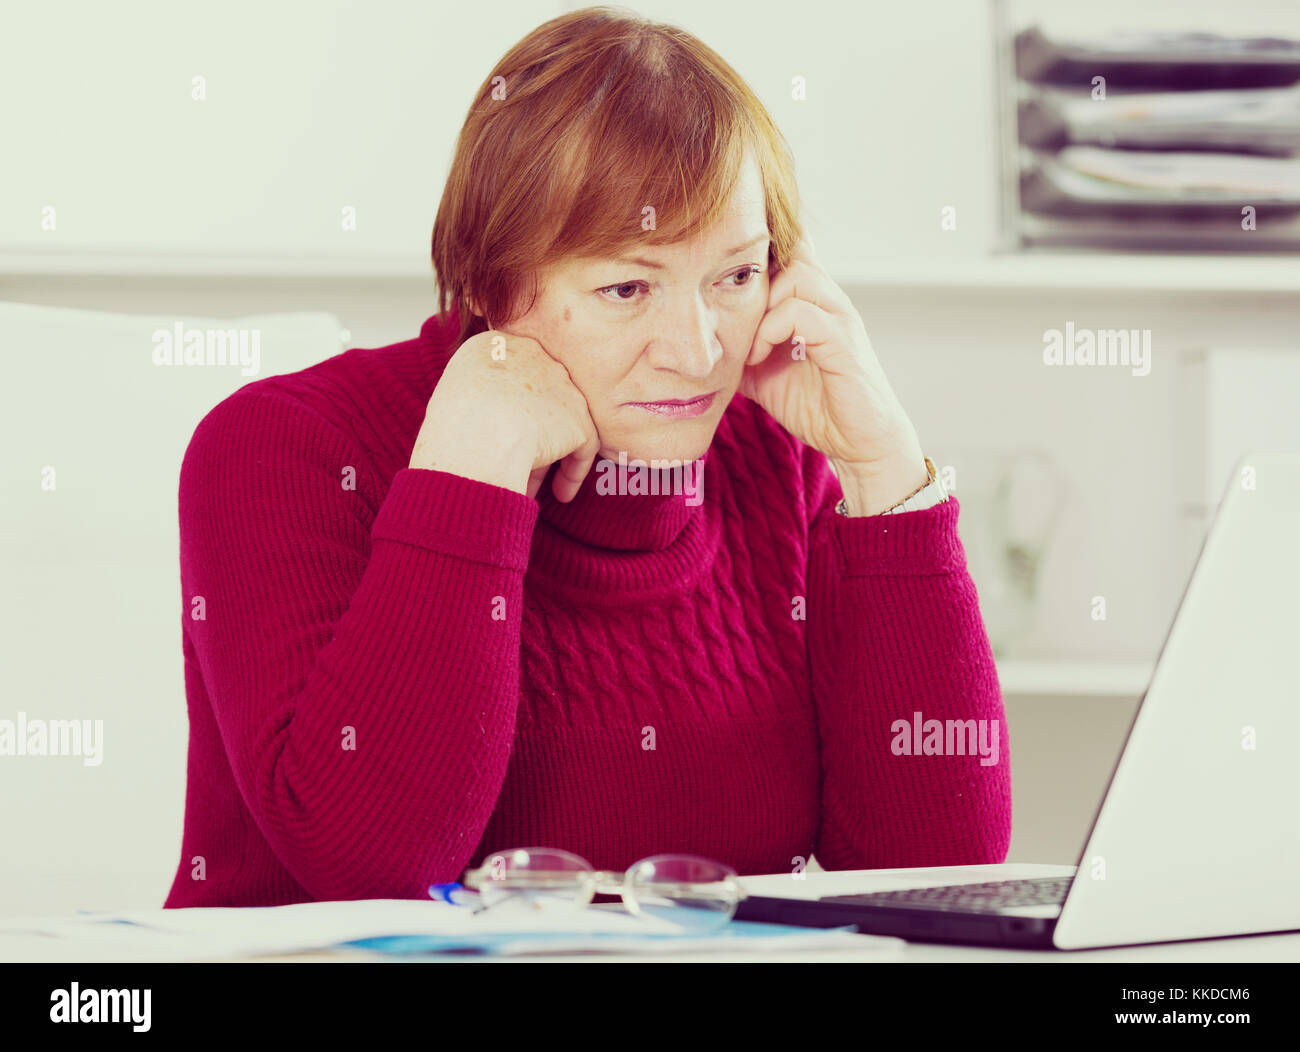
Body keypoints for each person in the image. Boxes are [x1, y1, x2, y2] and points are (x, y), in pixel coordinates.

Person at [164, 5, 1009, 909]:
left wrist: (887, 477)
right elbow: (373, 870)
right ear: (497, 284)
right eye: (627, 286)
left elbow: (933, 881)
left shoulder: (776, 461)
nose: (698, 351)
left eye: (735, 276)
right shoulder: (281, 448)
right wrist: (472, 469)